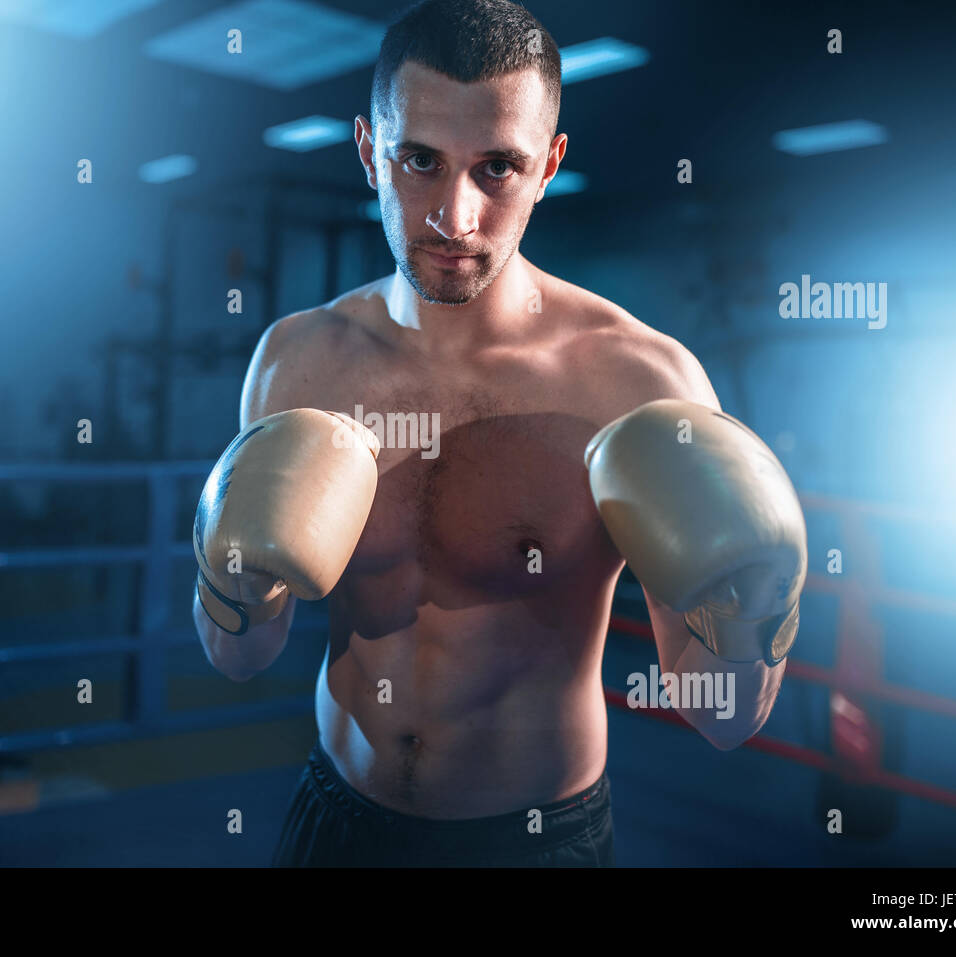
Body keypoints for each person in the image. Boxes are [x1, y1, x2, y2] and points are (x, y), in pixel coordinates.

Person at [191, 0, 806, 867]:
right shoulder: (296, 361)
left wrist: (758, 617)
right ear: (369, 149)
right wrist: (232, 584)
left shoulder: (639, 383)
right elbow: (240, 657)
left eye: (497, 169)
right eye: (420, 161)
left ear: (549, 164)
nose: (455, 216)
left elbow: (725, 719)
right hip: (339, 819)